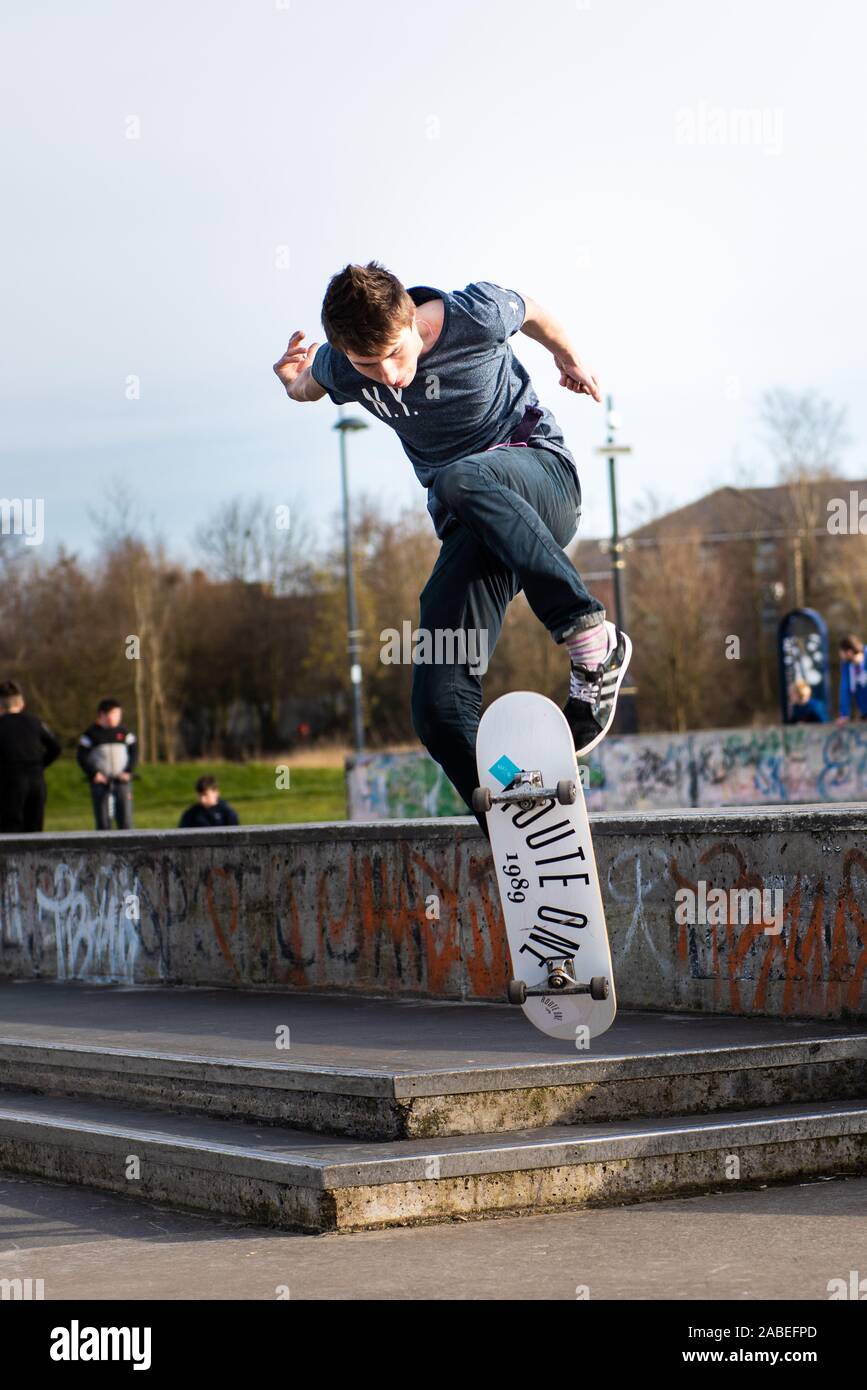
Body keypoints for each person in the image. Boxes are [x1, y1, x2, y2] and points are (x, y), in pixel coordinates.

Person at [273, 263, 631, 828]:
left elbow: (532, 308)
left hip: (543, 482)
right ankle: (519, 815)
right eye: (369, 365)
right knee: (437, 707)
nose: (389, 376)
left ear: (413, 321)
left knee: (460, 478)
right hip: (479, 528)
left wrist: (567, 356)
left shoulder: (473, 315)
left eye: (395, 353)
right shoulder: (346, 367)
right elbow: (309, 384)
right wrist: (294, 381)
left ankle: (591, 638)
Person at [0, 680, 62, 833]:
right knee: (34, 830)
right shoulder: (35, 722)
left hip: (10, 783)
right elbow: (56, 747)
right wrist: (39, 765)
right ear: (21, 704)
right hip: (36, 781)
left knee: (10, 829)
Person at [76, 699, 138, 829]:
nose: (118, 717)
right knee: (103, 822)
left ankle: (128, 847)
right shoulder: (91, 734)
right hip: (101, 783)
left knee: (126, 821)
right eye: (114, 714)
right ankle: (103, 849)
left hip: (121, 782)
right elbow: (81, 757)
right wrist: (94, 774)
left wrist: (128, 771)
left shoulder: (124, 733)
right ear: (102, 714)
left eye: (119, 714)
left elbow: (134, 753)